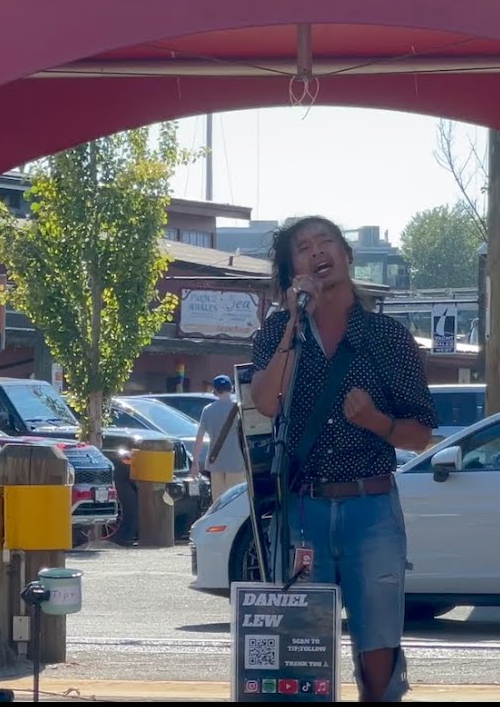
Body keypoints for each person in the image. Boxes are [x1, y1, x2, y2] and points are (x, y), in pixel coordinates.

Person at [249, 216, 437, 703]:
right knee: (299, 645)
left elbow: (420, 436)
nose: (316, 253)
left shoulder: (387, 338)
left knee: (377, 642)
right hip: (303, 509)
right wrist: (293, 318)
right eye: (303, 248)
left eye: (325, 242)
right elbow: (268, 402)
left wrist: (376, 421)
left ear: (347, 255)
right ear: (291, 270)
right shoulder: (279, 333)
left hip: (370, 507)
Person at [192, 374, 247, 503]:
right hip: (236, 461)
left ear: (215, 390)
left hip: (215, 461)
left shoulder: (207, 410)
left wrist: (194, 462)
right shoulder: (239, 408)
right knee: (235, 502)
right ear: (231, 388)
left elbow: (199, 437)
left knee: (218, 503)